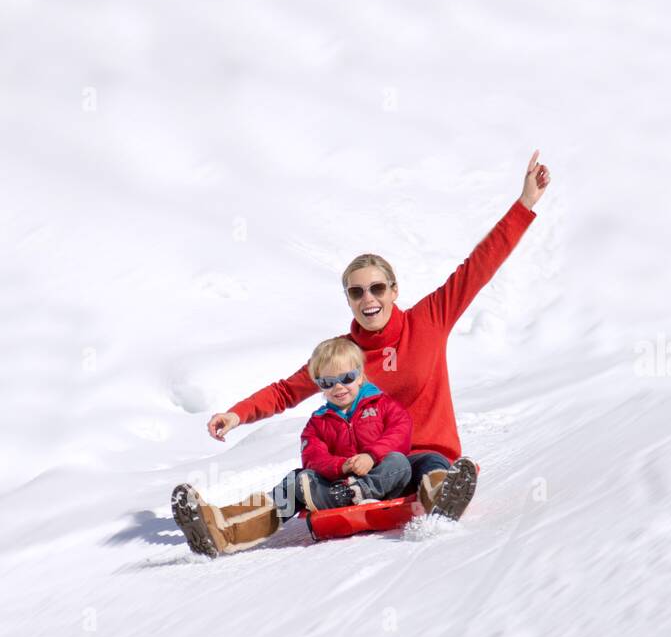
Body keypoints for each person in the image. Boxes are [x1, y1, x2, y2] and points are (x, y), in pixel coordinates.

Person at [202, 151, 550, 521]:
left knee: (430, 466)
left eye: (377, 288)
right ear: (349, 300)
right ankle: (224, 524)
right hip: (370, 470)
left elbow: (477, 268)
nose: (368, 299)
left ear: (394, 290)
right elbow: (287, 391)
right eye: (357, 292)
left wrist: (525, 203)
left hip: (427, 460)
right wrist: (236, 415)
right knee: (299, 484)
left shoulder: (429, 319)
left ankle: (444, 493)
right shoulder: (342, 358)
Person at [172, 337, 413, 558]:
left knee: (400, 463)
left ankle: (359, 491)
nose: (339, 387)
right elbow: (313, 457)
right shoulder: (318, 423)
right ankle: (222, 530)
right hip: (334, 491)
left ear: (360, 376)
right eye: (328, 382)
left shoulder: (381, 405)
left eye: (347, 378)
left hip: (381, 483)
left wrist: (371, 456)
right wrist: (341, 466)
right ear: (319, 385)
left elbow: (400, 431)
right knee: (297, 481)